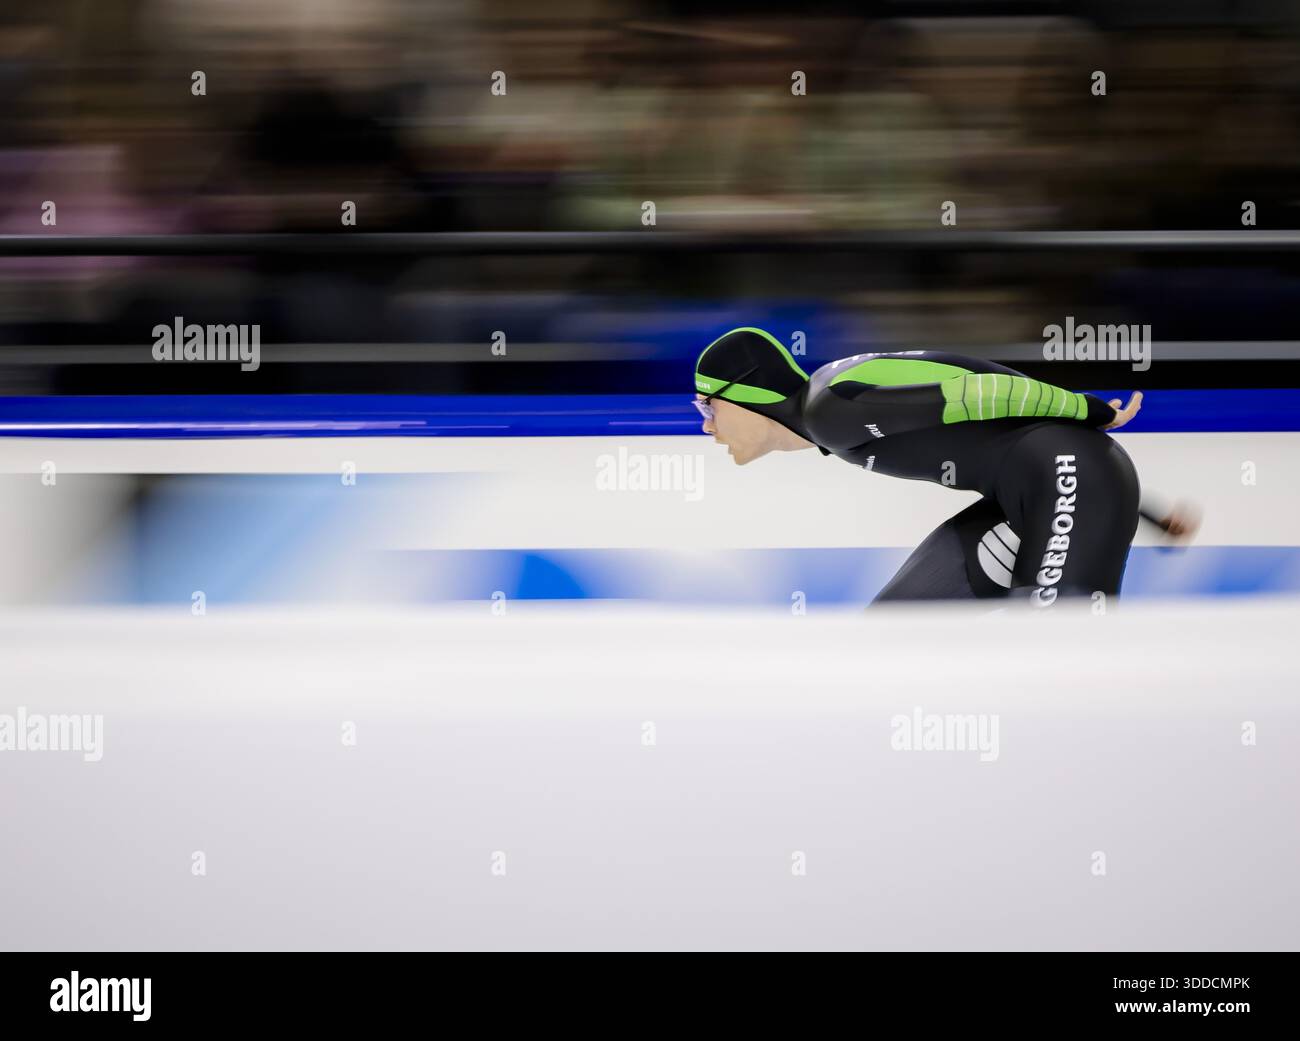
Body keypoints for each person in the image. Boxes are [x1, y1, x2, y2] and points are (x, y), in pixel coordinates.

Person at [692, 327, 1197, 607]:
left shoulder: (831, 411)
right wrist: (1143, 510)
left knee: (1056, 659)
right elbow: (1007, 428)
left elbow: (978, 393)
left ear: (745, 393)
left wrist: (1091, 409)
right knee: (890, 643)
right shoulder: (831, 413)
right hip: (1039, 493)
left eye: (707, 406)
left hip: (1062, 480)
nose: (707, 426)